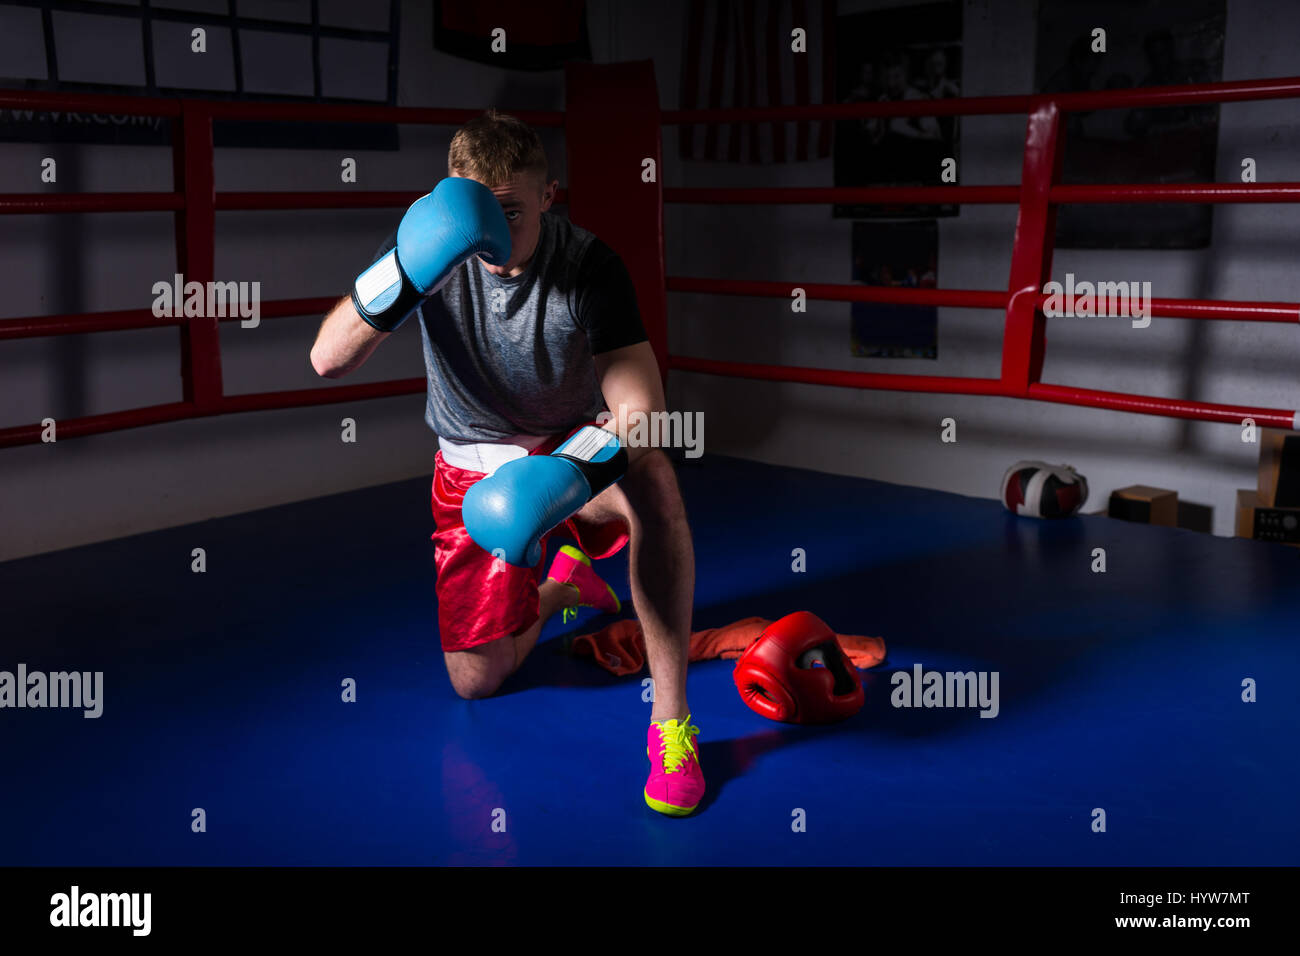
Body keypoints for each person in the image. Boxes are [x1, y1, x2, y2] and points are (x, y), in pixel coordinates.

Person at [309, 110, 704, 817]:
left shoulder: (589, 265)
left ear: (549, 195)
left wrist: (571, 472)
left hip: (570, 449)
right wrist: (408, 264)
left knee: (656, 480)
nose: (492, 234)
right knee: (476, 682)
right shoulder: (432, 251)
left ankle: (671, 724)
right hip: (473, 469)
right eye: (477, 212)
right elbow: (326, 359)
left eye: (511, 211)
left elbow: (642, 407)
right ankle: (563, 587)